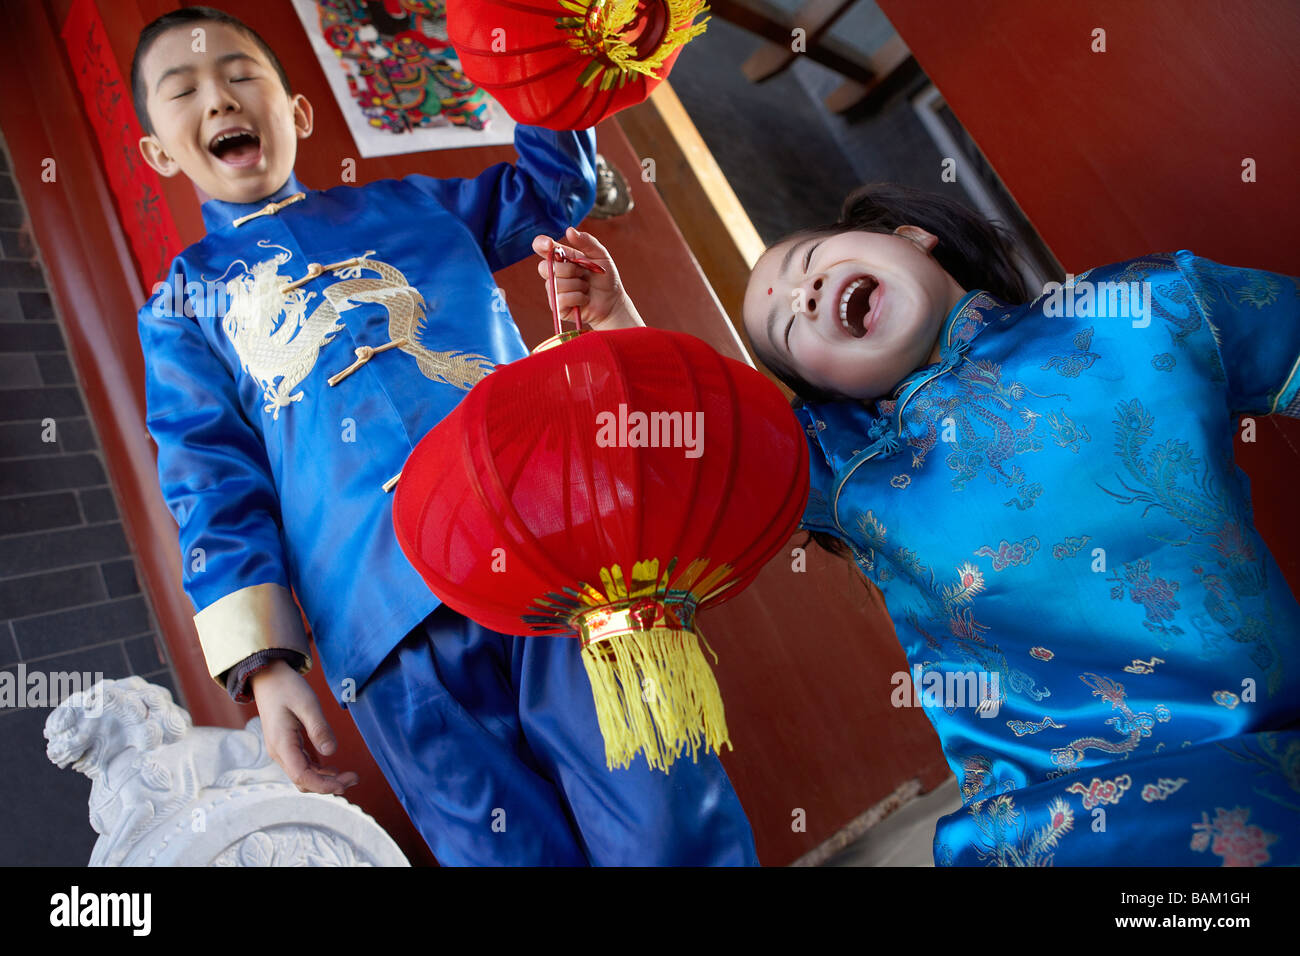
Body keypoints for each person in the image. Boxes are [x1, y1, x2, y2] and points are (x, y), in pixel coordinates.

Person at [132, 5, 758, 866]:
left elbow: (549, 191)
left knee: (666, 813)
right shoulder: (180, 307)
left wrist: (553, 62)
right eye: (184, 92)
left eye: (242, 75)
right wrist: (268, 667)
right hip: (385, 628)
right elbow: (210, 481)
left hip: (556, 557)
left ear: (298, 111)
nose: (219, 100)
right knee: (507, 853)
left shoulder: (416, 208)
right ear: (159, 153)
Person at [536, 183, 1300, 865]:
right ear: (823, 390)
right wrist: (618, 327)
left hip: (1266, 740)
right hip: (1052, 813)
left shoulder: (1143, 310)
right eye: (785, 330)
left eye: (806, 261)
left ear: (908, 236)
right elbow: (702, 437)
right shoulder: (845, 465)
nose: (800, 296)